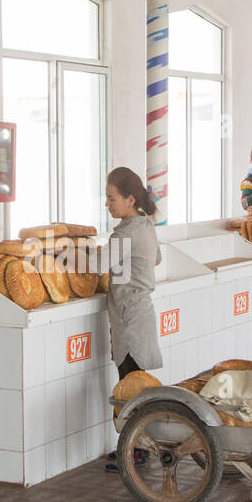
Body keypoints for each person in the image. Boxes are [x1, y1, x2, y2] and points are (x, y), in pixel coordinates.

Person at [103, 167, 162, 469]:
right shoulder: (146, 225)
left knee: (131, 387)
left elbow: (94, 264)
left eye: (111, 199)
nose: (107, 205)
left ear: (129, 199)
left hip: (128, 318)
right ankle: (136, 446)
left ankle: (136, 451)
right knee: (137, 384)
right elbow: (155, 259)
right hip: (141, 311)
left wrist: (59, 252)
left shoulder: (125, 233)